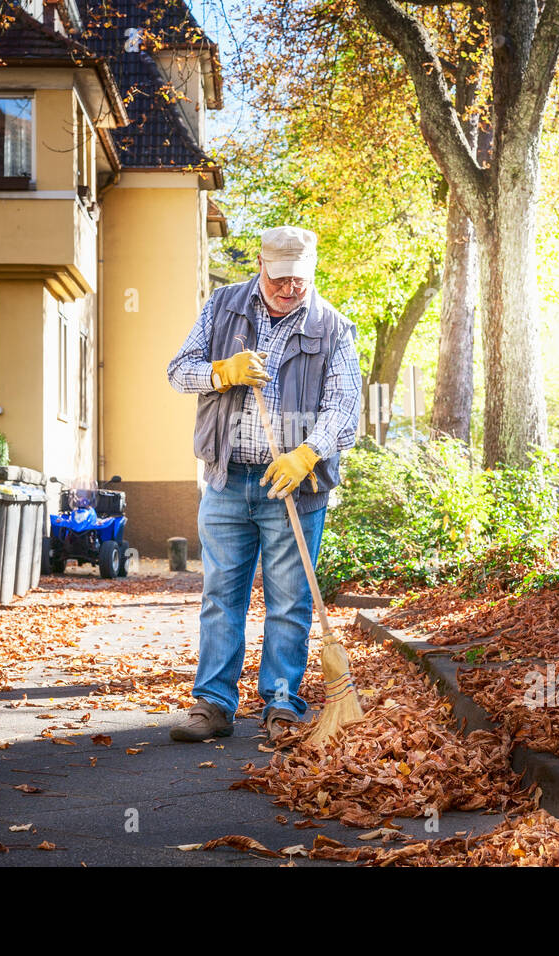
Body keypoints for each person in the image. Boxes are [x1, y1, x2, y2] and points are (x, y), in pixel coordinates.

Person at [166, 225, 360, 743]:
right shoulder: (224, 307)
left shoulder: (333, 328)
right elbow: (177, 372)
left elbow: (344, 409)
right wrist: (221, 371)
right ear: (261, 265)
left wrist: (308, 452)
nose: (289, 288)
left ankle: (281, 703)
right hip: (227, 479)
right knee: (220, 596)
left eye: (299, 279)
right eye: (279, 278)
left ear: (311, 271)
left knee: (290, 601)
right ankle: (213, 705)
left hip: (293, 488)